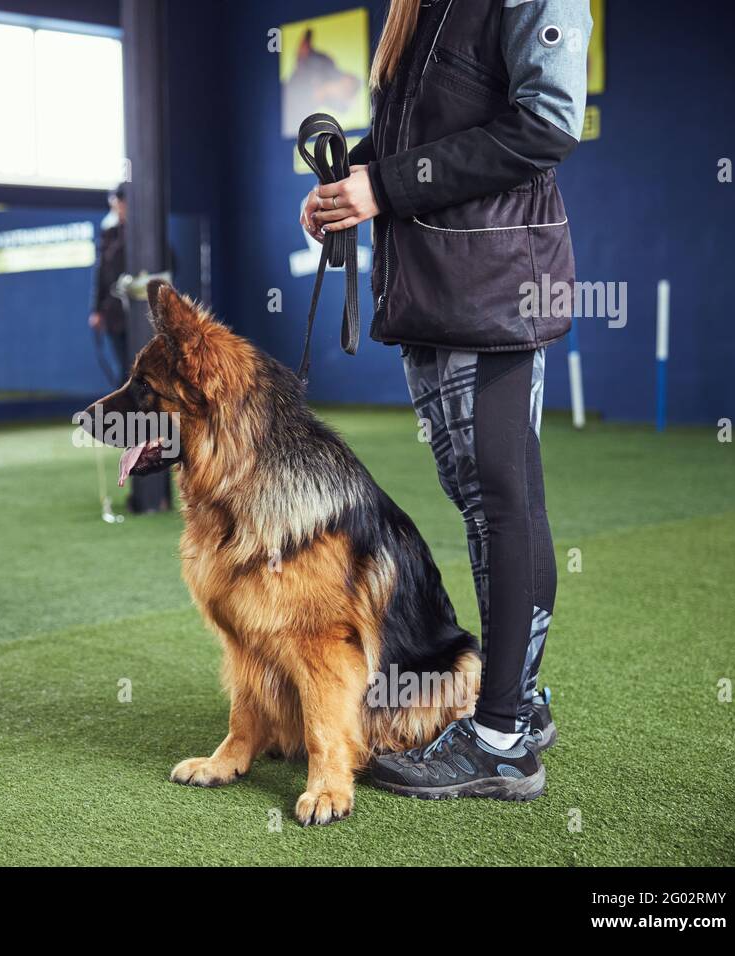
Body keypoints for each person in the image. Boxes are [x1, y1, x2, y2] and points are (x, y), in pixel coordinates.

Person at [300, 0, 590, 799]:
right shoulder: (416, 11)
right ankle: (516, 707)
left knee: (505, 502)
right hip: (430, 286)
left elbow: (546, 127)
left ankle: (500, 740)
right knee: (482, 501)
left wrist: (381, 186)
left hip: (496, 287)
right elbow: (415, 134)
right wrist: (346, 183)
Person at [88, 185, 130, 383]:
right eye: (115, 205)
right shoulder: (108, 234)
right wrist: (96, 310)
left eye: (120, 204)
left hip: (139, 312)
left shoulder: (145, 233)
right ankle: (126, 411)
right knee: (124, 368)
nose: (118, 209)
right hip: (114, 313)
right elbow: (101, 273)